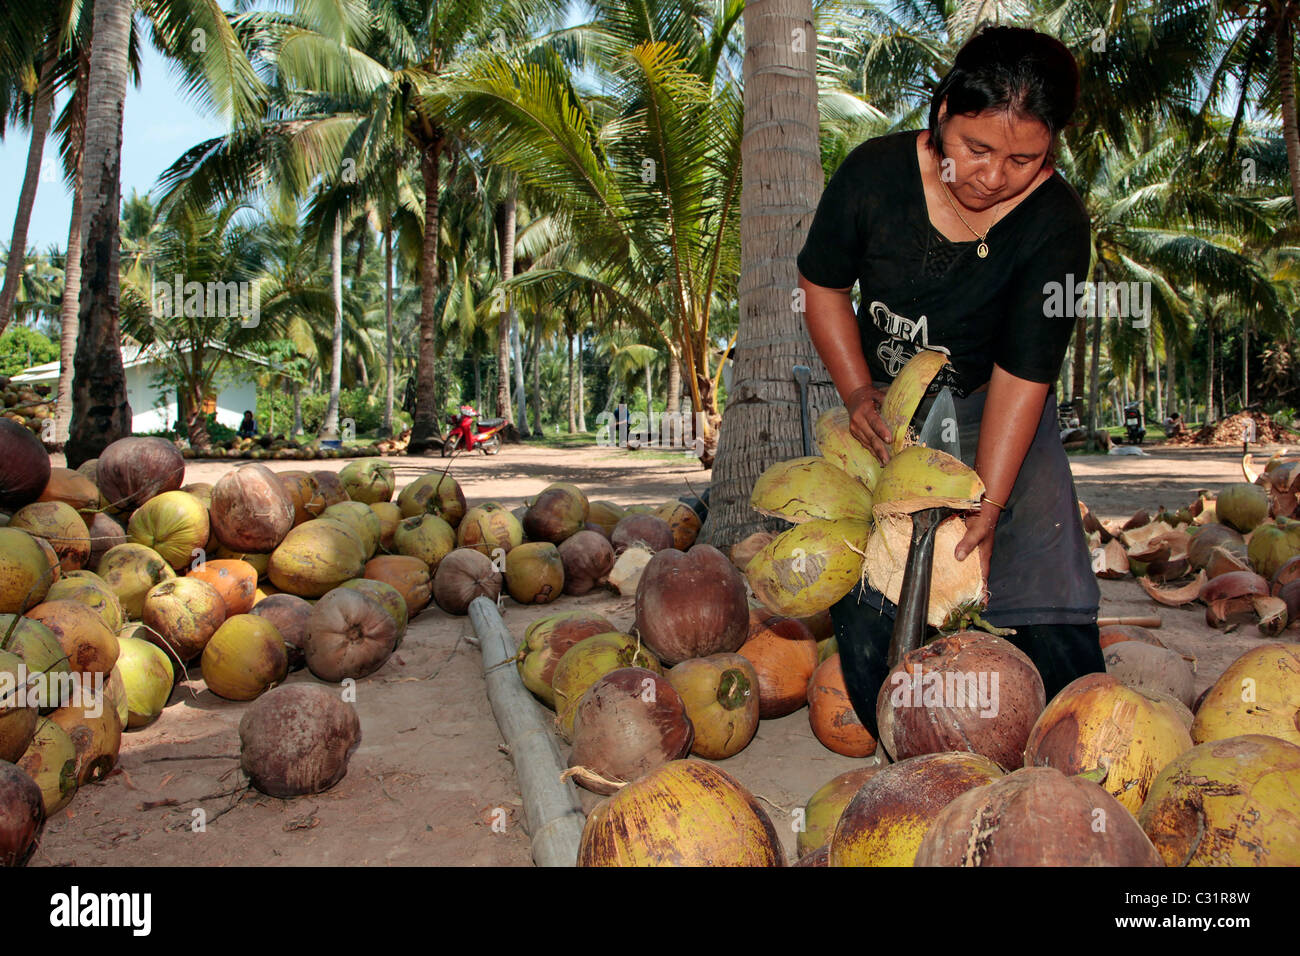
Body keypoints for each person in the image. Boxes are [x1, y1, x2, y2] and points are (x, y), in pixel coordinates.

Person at [796, 26, 1104, 737]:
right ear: (941, 114)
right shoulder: (875, 174)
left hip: (997, 411)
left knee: (1041, 599)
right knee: (878, 605)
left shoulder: (1055, 223)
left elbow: (1023, 372)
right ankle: (913, 756)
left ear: (1052, 147)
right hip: (889, 415)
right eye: (976, 149)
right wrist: (855, 393)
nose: (994, 176)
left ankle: (1066, 754)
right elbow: (822, 283)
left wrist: (990, 500)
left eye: (1023, 158)